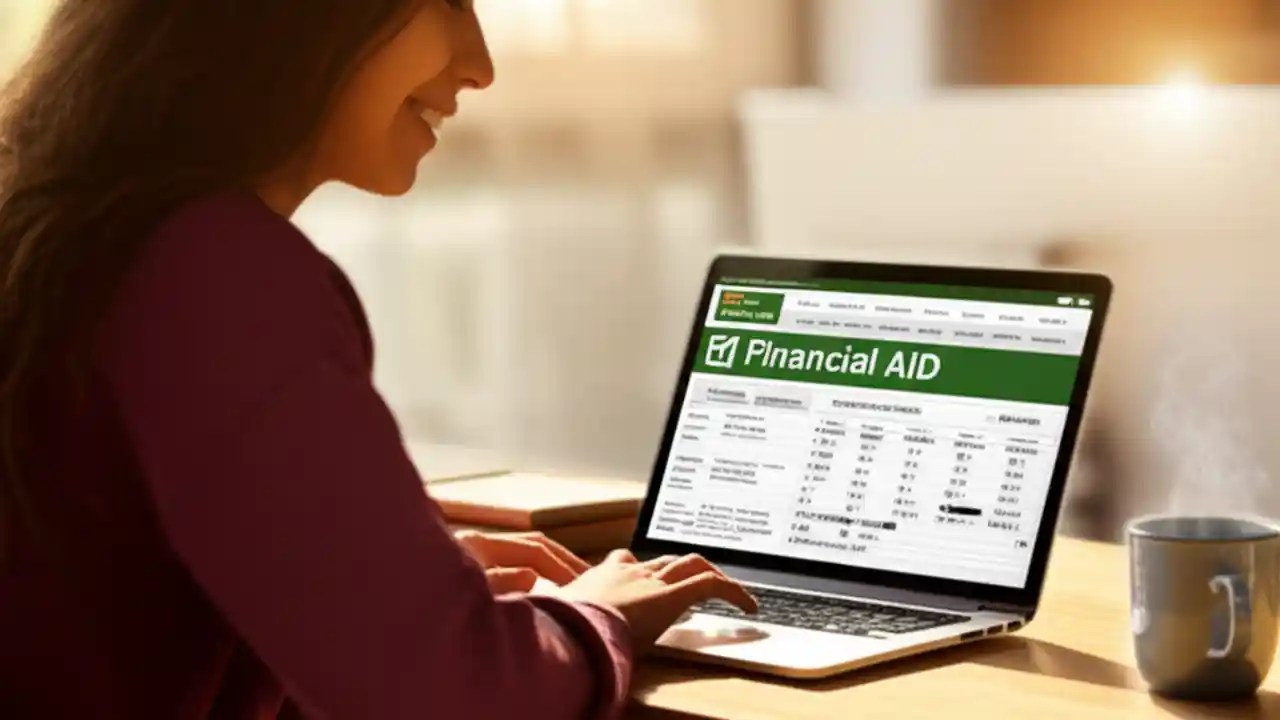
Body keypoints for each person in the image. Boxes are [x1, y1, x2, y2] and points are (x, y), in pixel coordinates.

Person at [0, 1, 757, 717]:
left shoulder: (72, 236)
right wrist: (598, 616)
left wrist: (380, 571)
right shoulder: (215, 274)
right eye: (448, 1)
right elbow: (445, 697)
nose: (480, 66)